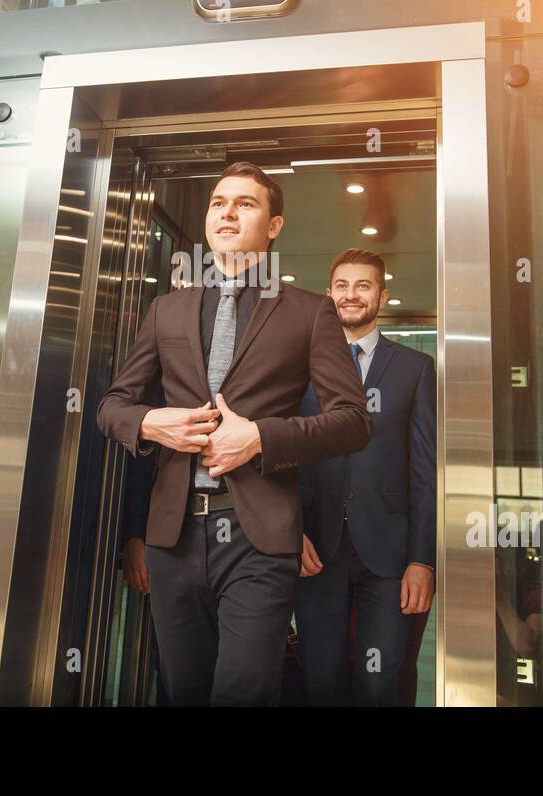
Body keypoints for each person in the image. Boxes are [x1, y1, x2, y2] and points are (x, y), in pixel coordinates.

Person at [97, 162, 372, 706]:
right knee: (183, 690)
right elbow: (112, 407)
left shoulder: (309, 311)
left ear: (274, 226)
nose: (227, 212)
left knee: (243, 690)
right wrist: (153, 423)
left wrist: (262, 439)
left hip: (258, 536)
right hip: (173, 537)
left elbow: (353, 421)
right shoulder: (165, 311)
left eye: (245, 203)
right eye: (218, 202)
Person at [295, 248, 436, 706]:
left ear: (383, 295)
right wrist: (290, 533)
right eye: (341, 285)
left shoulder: (416, 369)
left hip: (390, 554)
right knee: (321, 680)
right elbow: (283, 457)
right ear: (328, 294)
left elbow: (424, 469)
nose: (350, 295)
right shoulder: (299, 368)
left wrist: (423, 560)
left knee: (380, 682)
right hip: (315, 548)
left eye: (363, 285)